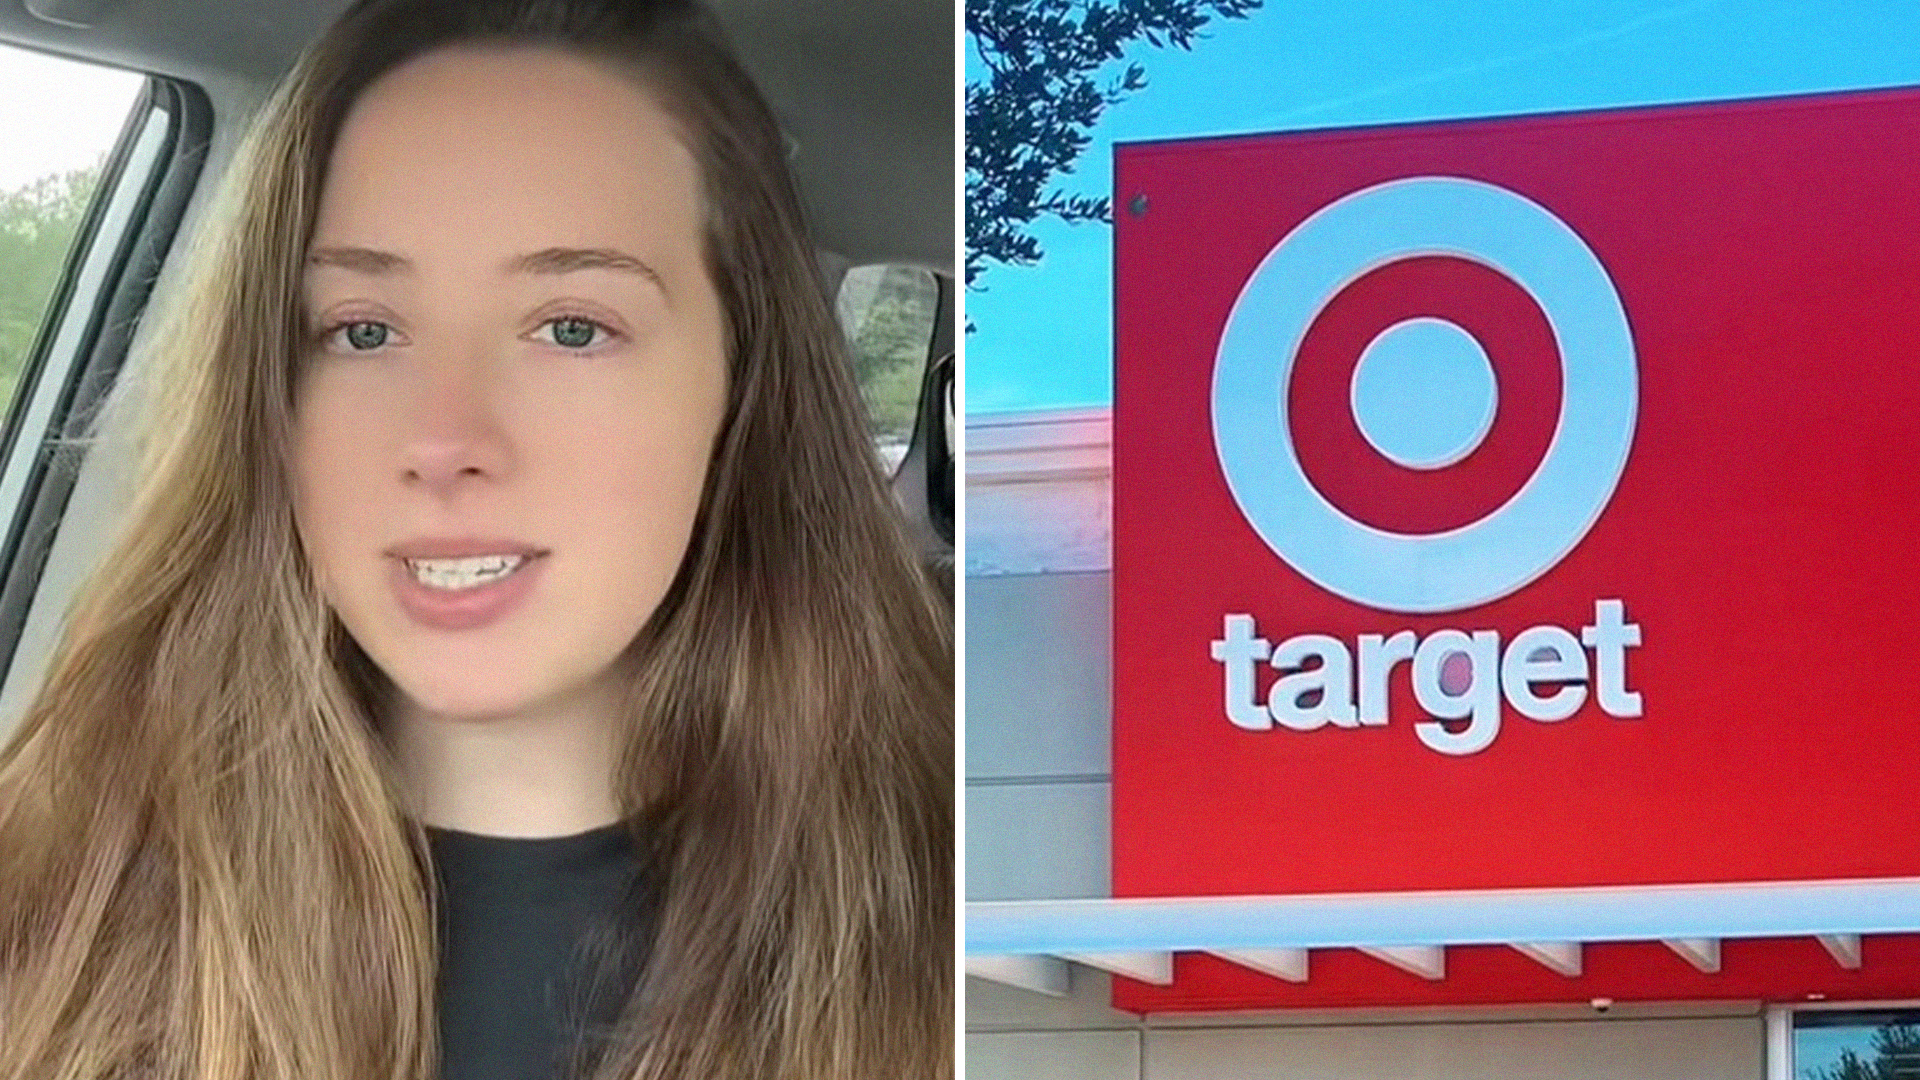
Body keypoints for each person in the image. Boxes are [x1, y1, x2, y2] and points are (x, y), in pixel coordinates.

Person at [0, 0, 953, 1077]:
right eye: (364, 331)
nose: (446, 440)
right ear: (268, 394)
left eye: (571, 328)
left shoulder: (946, 931)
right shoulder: (48, 908)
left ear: (740, 387)